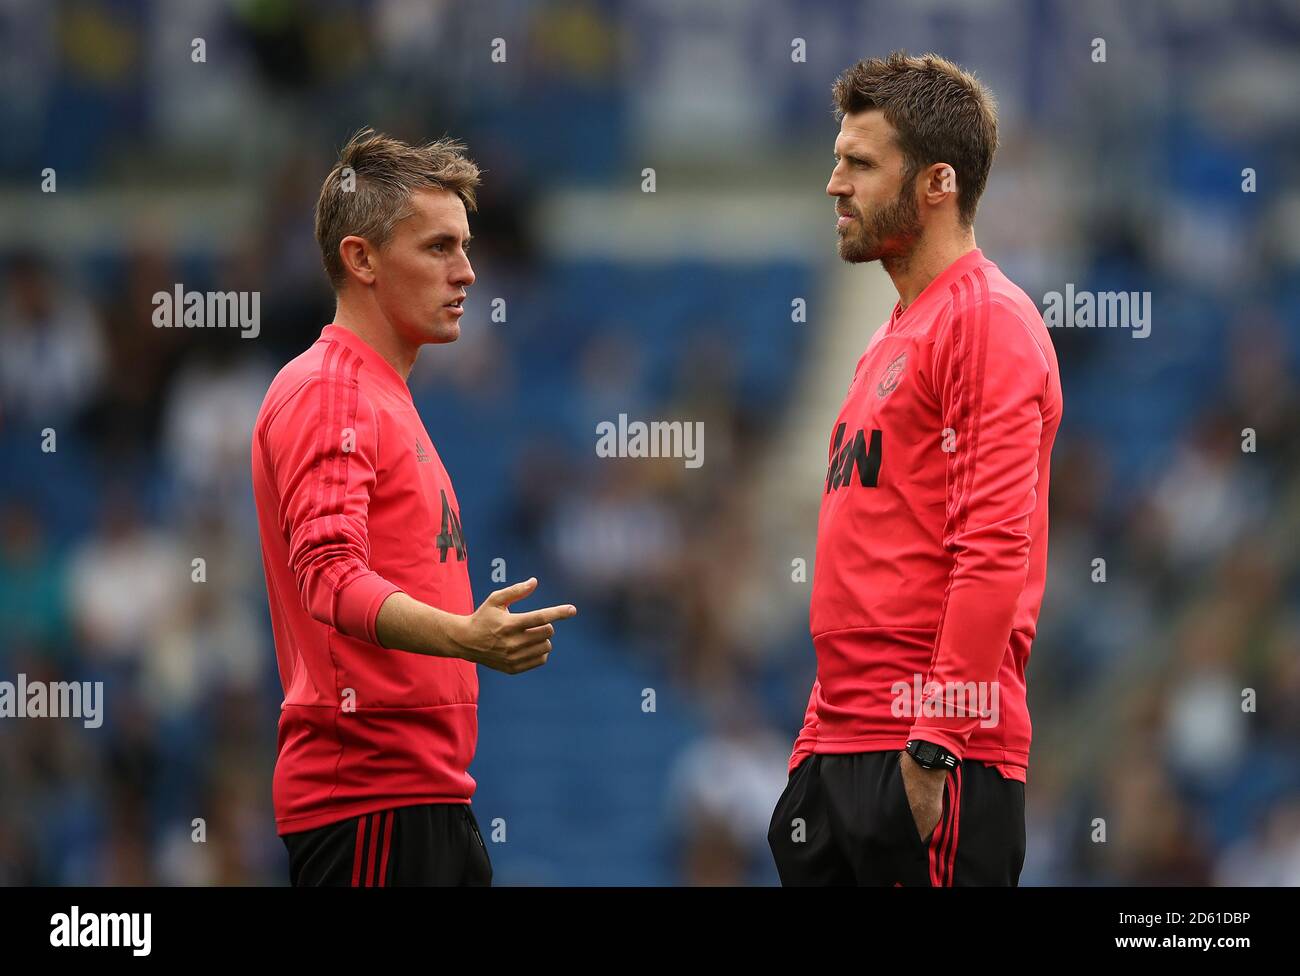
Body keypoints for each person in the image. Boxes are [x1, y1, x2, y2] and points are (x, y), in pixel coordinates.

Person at [251, 128, 577, 886]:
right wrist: (465, 636)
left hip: (422, 799)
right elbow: (330, 577)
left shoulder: (385, 394)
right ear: (361, 258)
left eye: (466, 247)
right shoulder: (333, 388)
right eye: (438, 248)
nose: (467, 272)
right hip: (370, 800)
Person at [768, 53, 1062, 886]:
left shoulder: (988, 321)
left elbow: (994, 550)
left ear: (937, 182)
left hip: (931, 755)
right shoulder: (893, 336)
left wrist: (934, 746)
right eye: (837, 160)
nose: (834, 184)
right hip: (844, 745)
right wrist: (814, 744)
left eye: (859, 164)